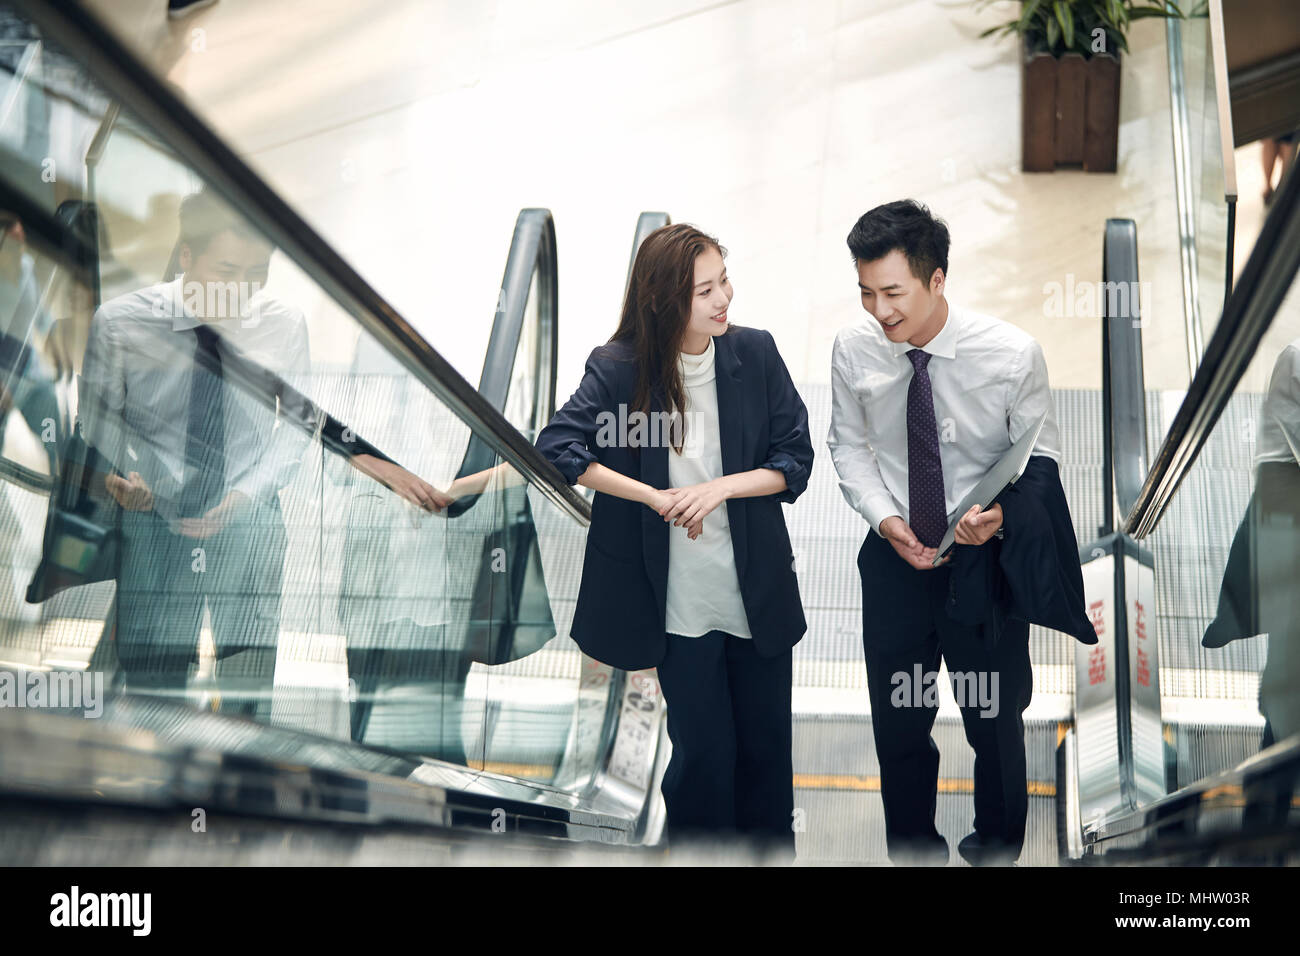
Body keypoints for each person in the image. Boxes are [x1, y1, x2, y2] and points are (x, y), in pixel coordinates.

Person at [828, 199, 1094, 866]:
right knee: (899, 725)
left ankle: (997, 850)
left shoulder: (1009, 355)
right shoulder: (853, 349)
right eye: (866, 292)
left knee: (995, 724)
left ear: (936, 280)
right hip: (894, 562)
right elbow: (848, 447)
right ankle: (913, 852)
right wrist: (885, 521)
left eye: (893, 293)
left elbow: (1042, 458)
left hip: (983, 565)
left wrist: (999, 518)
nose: (878, 310)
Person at [534, 223, 813, 858]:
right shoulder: (622, 371)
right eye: (704, 291)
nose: (724, 301)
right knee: (704, 762)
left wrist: (719, 489)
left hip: (755, 591)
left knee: (768, 758)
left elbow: (794, 458)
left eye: (724, 282)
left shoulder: (755, 354)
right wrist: (653, 496)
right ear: (664, 302)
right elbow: (558, 447)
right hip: (679, 605)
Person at [79, 188, 310, 719]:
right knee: (152, 687)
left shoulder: (282, 323)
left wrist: (246, 494)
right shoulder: (121, 323)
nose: (241, 289)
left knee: (248, 691)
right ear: (186, 256)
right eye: (227, 269)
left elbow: (298, 424)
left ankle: (233, 793)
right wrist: (126, 472)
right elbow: (96, 417)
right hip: (155, 518)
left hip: (249, 520)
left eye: (257, 272)